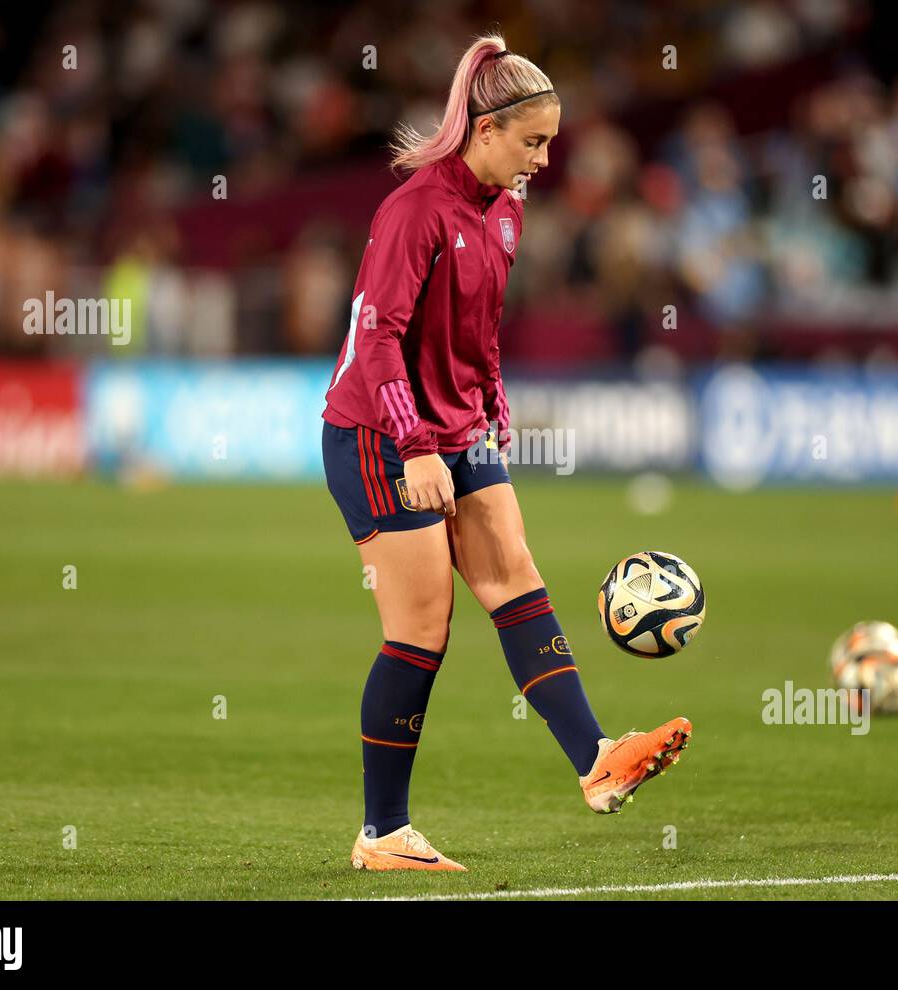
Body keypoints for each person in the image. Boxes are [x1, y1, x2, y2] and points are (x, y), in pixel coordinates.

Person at [320, 35, 691, 873]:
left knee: (516, 579)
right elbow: (376, 339)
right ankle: (382, 834)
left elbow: (478, 321)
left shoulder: (507, 207)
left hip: (455, 429)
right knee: (421, 629)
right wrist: (416, 446)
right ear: (486, 130)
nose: (545, 158)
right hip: (379, 434)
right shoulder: (414, 212)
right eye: (534, 141)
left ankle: (596, 759)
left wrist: (490, 398)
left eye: (551, 142)